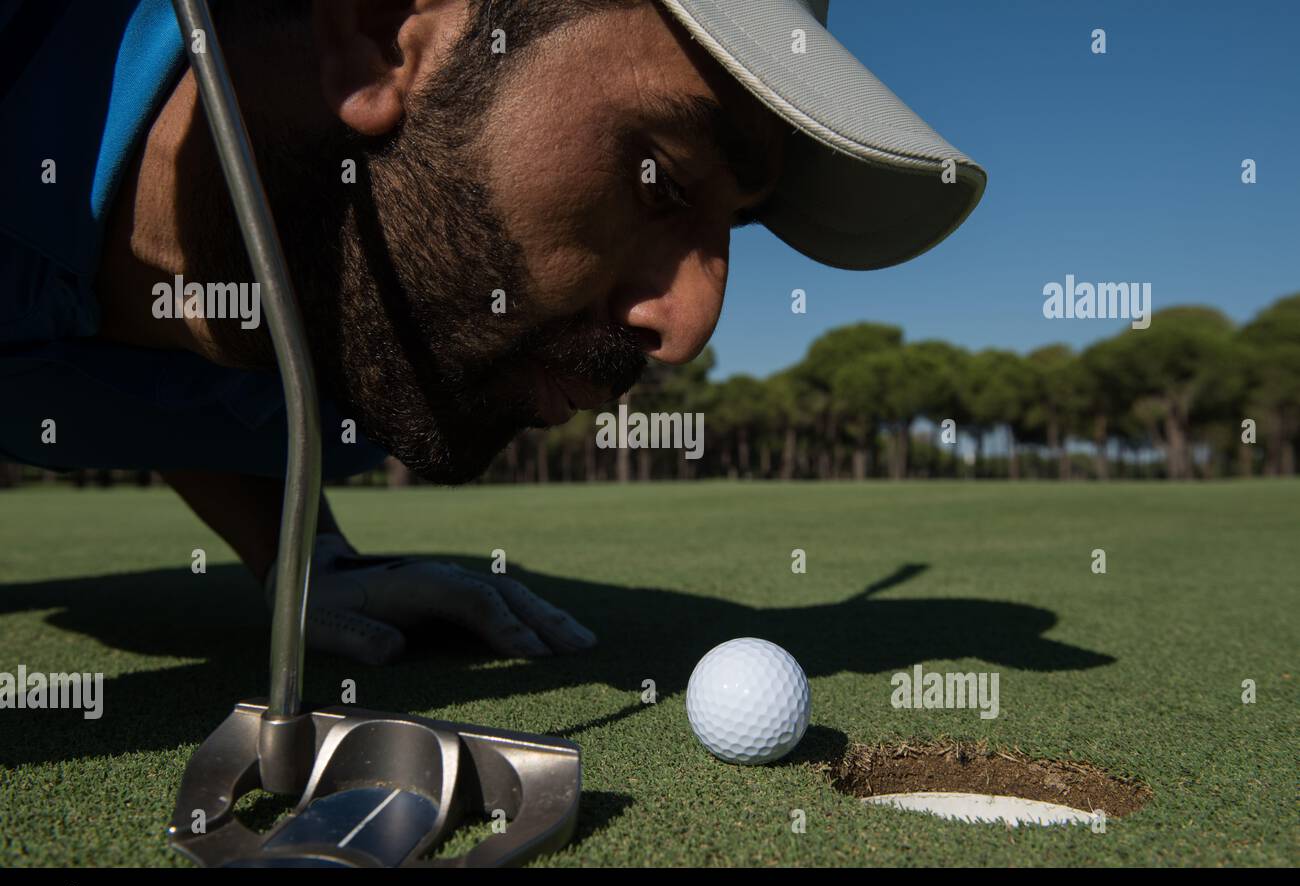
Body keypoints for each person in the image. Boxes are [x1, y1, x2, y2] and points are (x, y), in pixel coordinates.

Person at [0, 0, 984, 663]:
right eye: (663, 181)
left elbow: (206, 402)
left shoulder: (347, 378)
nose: (685, 330)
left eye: (732, 230)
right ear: (383, 28)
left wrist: (304, 565)